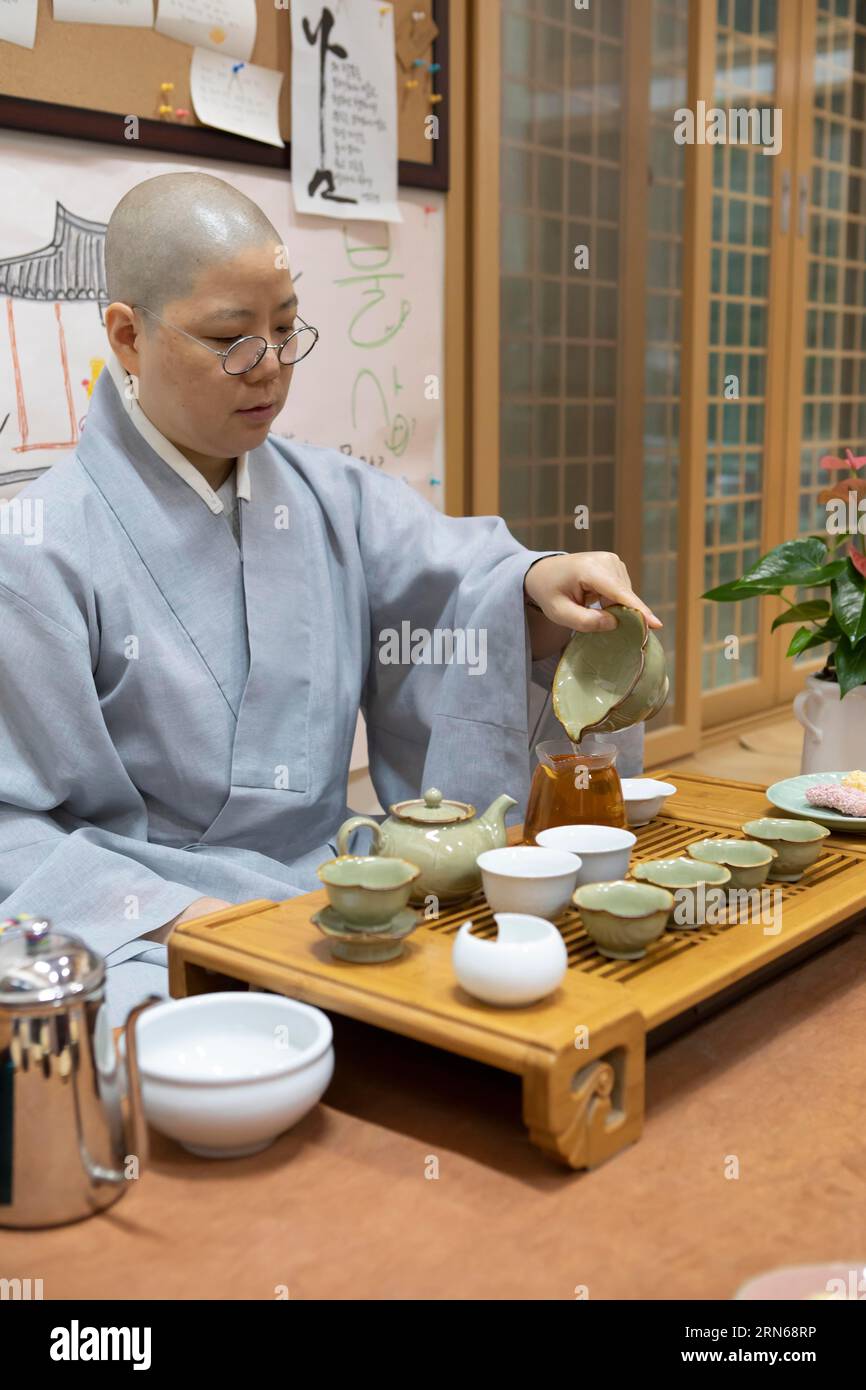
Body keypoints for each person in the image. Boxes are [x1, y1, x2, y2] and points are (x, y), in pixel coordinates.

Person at [0, 173, 660, 1022]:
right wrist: (185, 922)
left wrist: (535, 585)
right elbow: (11, 827)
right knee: (153, 1052)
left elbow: (458, 583)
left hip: (335, 875)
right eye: (232, 338)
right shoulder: (41, 546)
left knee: (516, 1002)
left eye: (285, 327)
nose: (270, 368)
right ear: (127, 336)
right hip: (153, 913)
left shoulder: (327, 494)